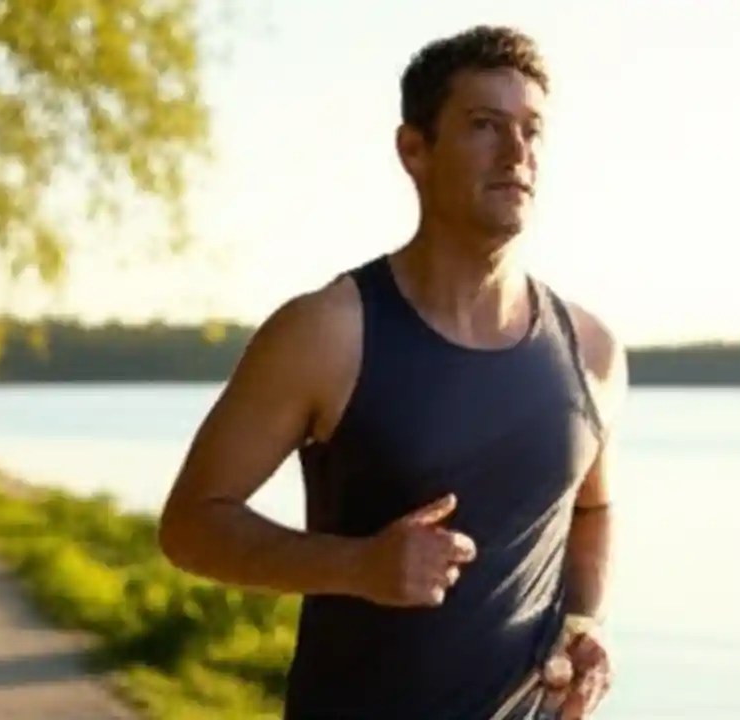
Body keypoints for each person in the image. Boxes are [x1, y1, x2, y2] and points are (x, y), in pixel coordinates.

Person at [159, 24, 628, 719]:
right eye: (484, 125)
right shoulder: (327, 333)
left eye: (532, 130)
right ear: (415, 150)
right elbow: (190, 526)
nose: (516, 152)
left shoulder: (590, 349)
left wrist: (583, 624)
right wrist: (355, 566)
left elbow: (592, 509)